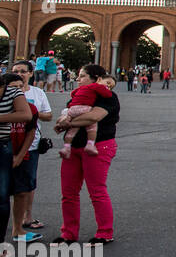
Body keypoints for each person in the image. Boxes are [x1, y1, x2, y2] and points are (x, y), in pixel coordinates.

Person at [56, 65, 119, 244]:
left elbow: (93, 117)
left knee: (96, 191)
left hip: (99, 146)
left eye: (82, 76)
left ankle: (105, 232)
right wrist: (63, 120)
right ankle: (68, 233)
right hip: (74, 147)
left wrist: (67, 123)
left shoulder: (108, 97)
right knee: (68, 193)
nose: (78, 79)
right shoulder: (78, 96)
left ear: (97, 78)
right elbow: (65, 114)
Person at [7, 61, 52, 241]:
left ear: (31, 74)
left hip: (27, 148)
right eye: (16, 72)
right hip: (5, 148)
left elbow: (42, 120)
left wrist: (31, 112)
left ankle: (23, 222)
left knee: (25, 187)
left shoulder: (36, 97)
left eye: (23, 72)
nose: (20, 75)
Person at [0, 75, 36, 241]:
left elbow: (29, 125)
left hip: (10, 150)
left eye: (21, 86)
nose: (19, 90)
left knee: (12, 193)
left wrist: (20, 155)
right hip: (7, 150)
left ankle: (15, 230)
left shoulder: (22, 102)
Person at [56, 75, 114, 157]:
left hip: (73, 109)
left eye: (111, 86)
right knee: (92, 127)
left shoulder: (84, 87)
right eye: (108, 83)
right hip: (84, 108)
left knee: (72, 131)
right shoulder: (97, 86)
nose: (108, 86)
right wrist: (108, 91)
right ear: (99, 79)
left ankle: (66, 147)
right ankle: (90, 144)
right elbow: (108, 94)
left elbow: (73, 93)